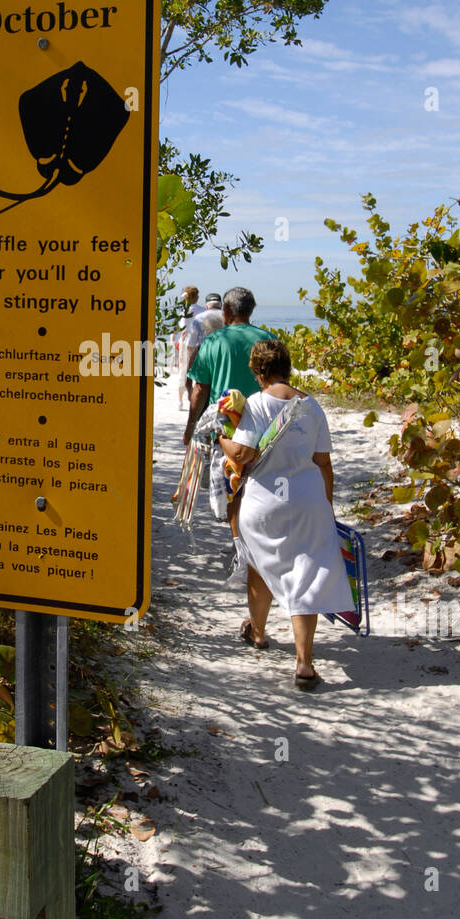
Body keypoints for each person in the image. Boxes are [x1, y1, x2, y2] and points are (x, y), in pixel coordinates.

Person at [219, 338, 352, 689]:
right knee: (306, 574)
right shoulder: (312, 407)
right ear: (287, 366)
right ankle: (304, 664)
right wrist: (327, 505)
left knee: (260, 566)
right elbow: (324, 463)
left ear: (259, 372)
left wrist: (219, 437)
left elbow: (243, 453)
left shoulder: (258, 404)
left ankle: (258, 633)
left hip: (265, 501)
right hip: (308, 497)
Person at [183, 287, 275, 444]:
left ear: (226, 309)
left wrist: (190, 427)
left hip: (223, 431)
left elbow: (200, 390)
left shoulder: (212, 341)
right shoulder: (270, 340)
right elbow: (279, 385)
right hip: (262, 431)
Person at [177, 286, 205, 410]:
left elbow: (182, 328)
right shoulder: (202, 310)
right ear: (197, 296)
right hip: (199, 344)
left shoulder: (184, 311)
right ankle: (194, 397)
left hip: (186, 343)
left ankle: (180, 400)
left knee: (183, 372)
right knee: (198, 373)